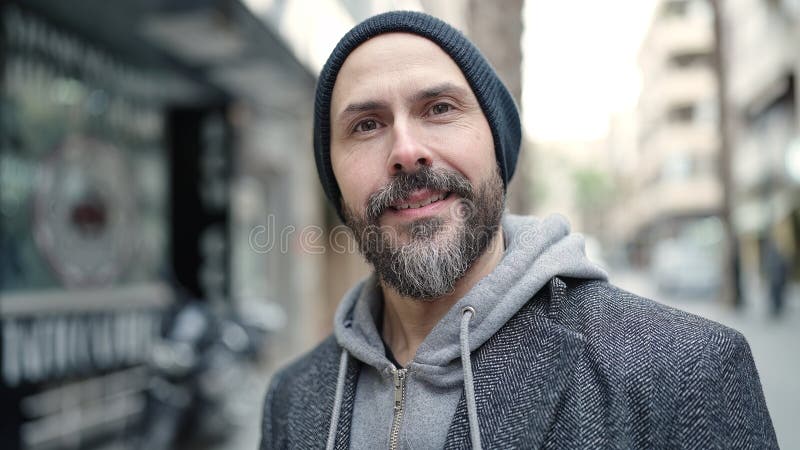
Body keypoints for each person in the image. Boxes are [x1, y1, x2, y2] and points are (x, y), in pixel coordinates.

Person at [260, 11, 777, 450]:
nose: (405, 150)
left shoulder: (687, 371)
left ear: (496, 145)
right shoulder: (292, 399)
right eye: (366, 125)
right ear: (334, 177)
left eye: (439, 109)